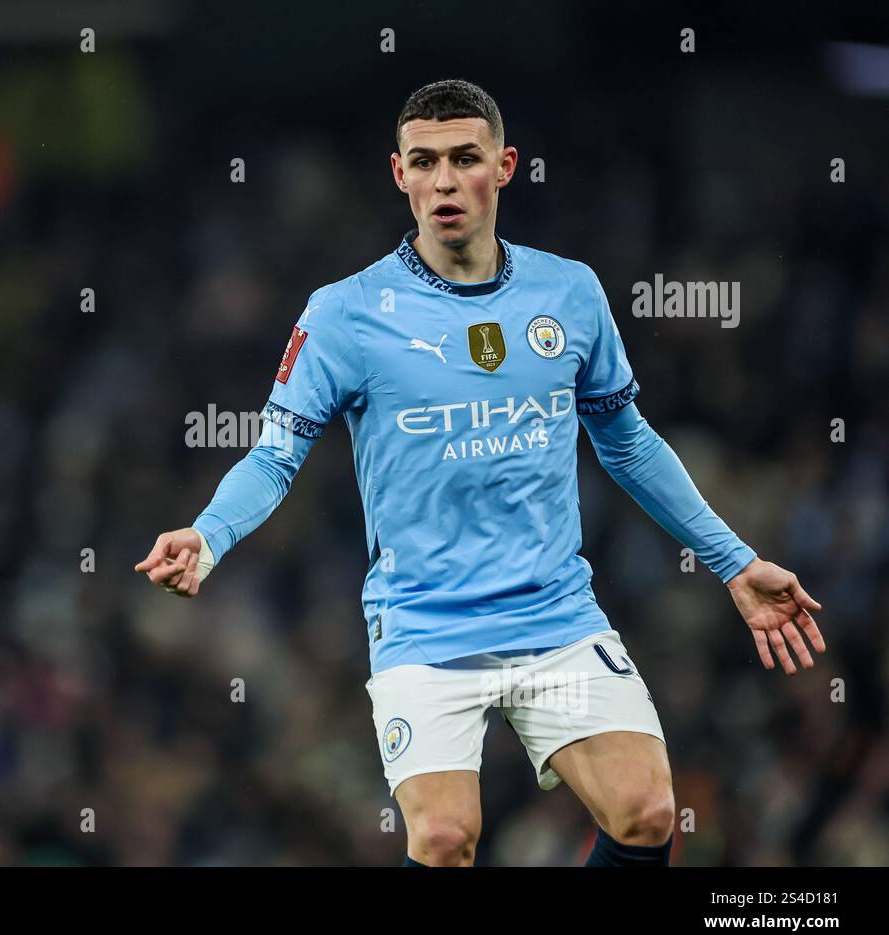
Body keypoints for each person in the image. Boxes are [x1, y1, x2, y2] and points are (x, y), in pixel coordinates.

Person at [134, 79, 826, 866]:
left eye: (465, 159)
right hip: (426, 627)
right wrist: (209, 534)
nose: (443, 181)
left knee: (648, 812)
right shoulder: (345, 314)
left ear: (505, 168)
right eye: (423, 162)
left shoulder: (569, 293)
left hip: (554, 619)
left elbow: (627, 443)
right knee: (443, 836)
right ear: (399, 174)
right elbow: (276, 452)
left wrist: (734, 562)